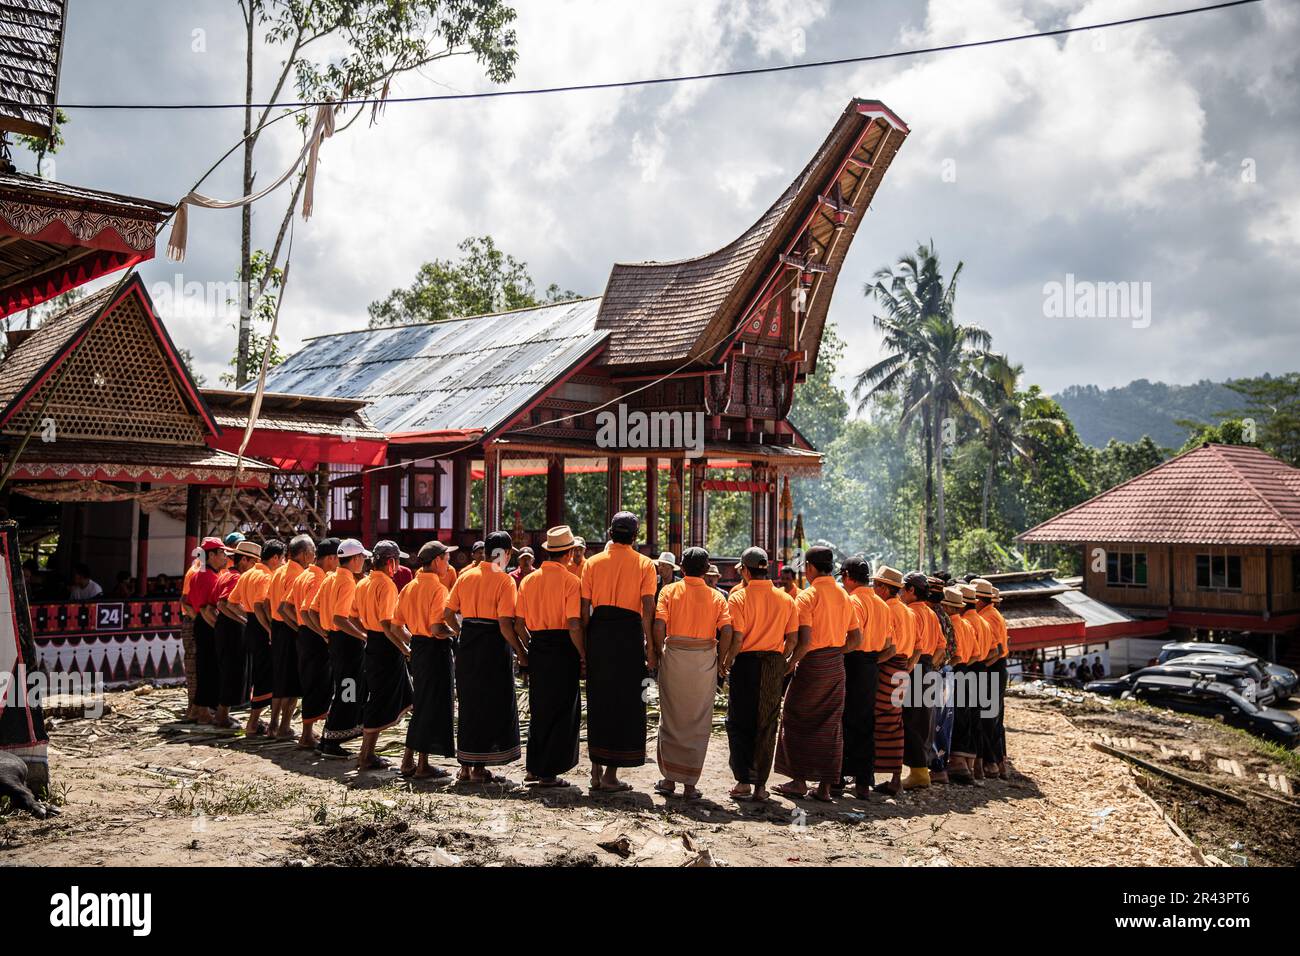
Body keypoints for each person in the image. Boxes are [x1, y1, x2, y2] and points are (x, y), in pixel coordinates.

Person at [773, 546, 861, 802]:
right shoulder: (844, 596)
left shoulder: (808, 596)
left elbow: (806, 641)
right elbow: (856, 639)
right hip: (835, 665)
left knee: (794, 716)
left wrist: (789, 664)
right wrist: (835, 651)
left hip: (812, 665)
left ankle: (799, 781)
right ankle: (824, 787)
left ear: (810, 567)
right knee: (831, 724)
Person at [580, 512, 655, 793]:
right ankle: (611, 774)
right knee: (624, 703)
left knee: (598, 700)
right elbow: (647, 610)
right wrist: (650, 648)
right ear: (636, 537)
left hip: (599, 635)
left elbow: (583, 611)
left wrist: (585, 647)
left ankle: (596, 770)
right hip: (627, 638)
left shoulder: (592, 563)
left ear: (610, 533)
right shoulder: (645, 565)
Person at [445, 530, 526, 783]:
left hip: (468, 642)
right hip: (492, 645)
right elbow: (504, 624)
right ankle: (480, 769)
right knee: (490, 705)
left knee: (469, 703)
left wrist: (461, 634)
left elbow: (448, 614)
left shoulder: (465, 576)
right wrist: (522, 652)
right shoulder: (504, 580)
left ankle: (466, 767)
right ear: (506, 553)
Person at [652, 547, 732, 800]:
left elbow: (659, 625)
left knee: (672, 716)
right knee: (698, 721)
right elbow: (727, 631)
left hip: (674, 655)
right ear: (706, 570)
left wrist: (658, 651)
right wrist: (723, 660)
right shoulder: (717, 597)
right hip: (704, 661)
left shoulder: (668, 591)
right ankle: (690, 783)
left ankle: (668, 780)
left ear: (682, 569)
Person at [722, 546, 797, 802]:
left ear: (745, 570)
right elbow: (794, 637)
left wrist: (727, 661)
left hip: (745, 663)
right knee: (767, 723)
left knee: (739, 721)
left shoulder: (738, 597)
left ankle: (743, 781)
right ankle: (761, 786)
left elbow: (738, 637)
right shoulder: (786, 599)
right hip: (773, 663)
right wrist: (784, 659)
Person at [515, 526, 583, 788]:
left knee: (539, 707)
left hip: (539, 646)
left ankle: (534, 767)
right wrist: (582, 653)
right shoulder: (570, 581)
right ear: (568, 554)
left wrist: (529, 645)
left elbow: (519, 623)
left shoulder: (529, 580)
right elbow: (574, 624)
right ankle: (549, 772)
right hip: (563, 647)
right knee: (562, 709)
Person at [395, 541, 457, 779]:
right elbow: (437, 628)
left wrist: (413, 640)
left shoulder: (409, 587)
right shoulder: (438, 589)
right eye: (446, 558)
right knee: (431, 705)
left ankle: (409, 760)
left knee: (422, 702)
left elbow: (396, 624)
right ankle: (422, 764)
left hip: (419, 648)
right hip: (434, 650)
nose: (449, 562)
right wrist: (457, 632)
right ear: (436, 561)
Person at [355, 540, 413, 772]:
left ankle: (404, 756)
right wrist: (407, 648)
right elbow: (389, 625)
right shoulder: (386, 585)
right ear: (390, 563)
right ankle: (367, 754)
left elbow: (358, 615)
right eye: (397, 561)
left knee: (399, 699)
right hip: (386, 646)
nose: (398, 566)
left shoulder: (363, 583)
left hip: (372, 642)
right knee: (380, 701)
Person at [839, 556, 894, 798]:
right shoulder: (883, 604)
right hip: (871, 664)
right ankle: (863, 781)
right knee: (865, 721)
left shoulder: (853, 601)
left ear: (847, 577)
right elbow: (890, 647)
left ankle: (838, 779)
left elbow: (854, 639)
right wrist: (872, 662)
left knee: (844, 720)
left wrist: (836, 654)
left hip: (853, 661)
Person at [311, 539, 369, 758]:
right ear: (354, 559)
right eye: (362, 557)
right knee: (348, 689)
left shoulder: (329, 579)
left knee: (343, 689)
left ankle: (328, 738)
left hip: (337, 641)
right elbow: (340, 618)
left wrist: (325, 633)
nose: (363, 561)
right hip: (347, 644)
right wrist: (363, 635)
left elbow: (311, 611)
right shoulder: (347, 583)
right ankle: (334, 739)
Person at [872, 565, 916, 795]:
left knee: (875, 720)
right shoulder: (908, 611)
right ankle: (895, 778)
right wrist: (907, 668)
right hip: (901, 670)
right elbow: (916, 648)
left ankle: (867, 773)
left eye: (876, 584)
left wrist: (872, 664)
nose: (873, 588)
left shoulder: (888, 609)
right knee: (894, 723)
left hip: (889, 667)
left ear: (884, 588)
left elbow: (891, 647)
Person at [228, 540, 279, 736]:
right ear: (274, 558)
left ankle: (257, 721)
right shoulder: (265, 576)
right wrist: (268, 628)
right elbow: (260, 606)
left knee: (260, 675)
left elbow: (231, 603)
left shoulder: (247, 575)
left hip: (251, 626)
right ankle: (254, 723)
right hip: (261, 628)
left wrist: (245, 616)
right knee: (266, 677)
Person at [293, 537, 338, 751]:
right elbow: (307, 610)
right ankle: (306, 735)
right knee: (317, 684)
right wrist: (323, 633)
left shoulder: (304, 575)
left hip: (304, 634)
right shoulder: (318, 579)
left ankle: (307, 732)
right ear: (329, 558)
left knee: (311, 682)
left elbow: (288, 607)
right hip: (314, 637)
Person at [266, 535, 309, 740]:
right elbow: (286, 608)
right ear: (303, 554)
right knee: (290, 683)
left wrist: (270, 626)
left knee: (280, 681)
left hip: (277, 627)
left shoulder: (279, 571)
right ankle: (282, 726)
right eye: (311, 551)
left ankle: (274, 725)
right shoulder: (297, 574)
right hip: (289, 628)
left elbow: (267, 604)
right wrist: (298, 627)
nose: (313, 555)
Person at [214, 540, 260, 729]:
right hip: (232, 629)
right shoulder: (236, 578)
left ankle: (223, 713)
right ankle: (222, 716)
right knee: (233, 671)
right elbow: (226, 604)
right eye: (253, 563)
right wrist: (247, 618)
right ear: (245, 561)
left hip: (226, 627)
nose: (255, 567)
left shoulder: (227, 575)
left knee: (229, 670)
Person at [900, 572, 940, 790]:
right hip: (929, 668)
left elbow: (913, 647)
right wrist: (929, 666)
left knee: (912, 720)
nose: (900, 593)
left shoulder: (910, 613)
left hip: (914, 667)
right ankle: (920, 770)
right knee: (925, 720)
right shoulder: (932, 614)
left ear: (911, 590)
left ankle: (918, 774)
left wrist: (909, 669)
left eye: (902, 589)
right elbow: (941, 647)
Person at [187, 538, 228, 725]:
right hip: (209, 625)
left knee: (205, 667)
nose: (225, 557)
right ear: (211, 555)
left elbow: (190, 604)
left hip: (202, 624)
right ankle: (203, 712)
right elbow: (208, 609)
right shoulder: (208, 577)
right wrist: (221, 630)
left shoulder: (199, 574)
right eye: (222, 553)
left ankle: (197, 710)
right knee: (209, 669)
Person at [942, 586, 979, 784]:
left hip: (953, 671)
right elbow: (976, 654)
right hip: (967, 670)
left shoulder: (950, 625)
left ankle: (956, 763)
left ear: (947, 606)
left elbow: (953, 655)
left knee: (951, 716)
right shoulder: (966, 625)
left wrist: (949, 666)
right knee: (965, 716)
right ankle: (966, 765)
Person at [974, 579, 1010, 778]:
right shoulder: (991, 614)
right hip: (996, 669)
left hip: (992, 668)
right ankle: (998, 763)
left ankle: (992, 763)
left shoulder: (988, 617)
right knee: (993, 718)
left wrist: (979, 666)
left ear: (979, 599)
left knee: (987, 718)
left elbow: (995, 650)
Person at [960, 584, 996, 781]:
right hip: (982, 667)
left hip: (970, 668)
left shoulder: (966, 622)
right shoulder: (984, 622)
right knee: (978, 720)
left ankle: (971, 766)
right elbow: (995, 651)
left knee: (968, 720)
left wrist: (967, 663)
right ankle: (978, 767)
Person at [180, 547, 204, 721]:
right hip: (193, 621)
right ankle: (194, 708)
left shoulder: (199, 569)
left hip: (196, 620)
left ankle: (197, 708)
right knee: (195, 666)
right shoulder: (196, 571)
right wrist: (200, 621)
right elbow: (185, 601)